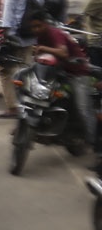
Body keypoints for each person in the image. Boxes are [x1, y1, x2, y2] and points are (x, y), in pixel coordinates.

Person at [28, 9, 94, 153]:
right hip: (60, 72)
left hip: (77, 72)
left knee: (83, 108)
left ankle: (93, 144)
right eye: (33, 27)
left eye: (38, 26)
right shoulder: (40, 36)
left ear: (45, 24)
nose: (36, 29)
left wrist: (43, 48)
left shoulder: (54, 33)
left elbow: (63, 53)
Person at [0, 0, 42, 118]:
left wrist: (5, 34)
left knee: (5, 71)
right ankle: (29, 104)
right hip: (30, 34)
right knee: (27, 69)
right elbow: (40, 5)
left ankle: (12, 107)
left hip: (15, 35)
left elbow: (8, 14)